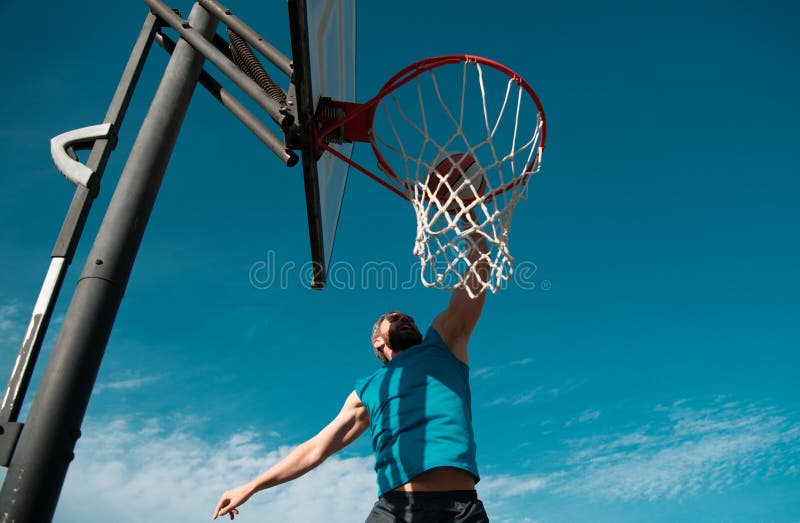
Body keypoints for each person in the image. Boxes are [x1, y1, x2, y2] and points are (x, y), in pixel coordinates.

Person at [213, 233, 489, 522]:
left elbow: (470, 290)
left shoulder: (443, 345)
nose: (403, 318)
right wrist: (253, 486)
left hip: (461, 508)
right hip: (396, 508)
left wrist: (474, 232)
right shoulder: (367, 389)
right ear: (377, 343)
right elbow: (315, 448)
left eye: (406, 317)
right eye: (392, 317)